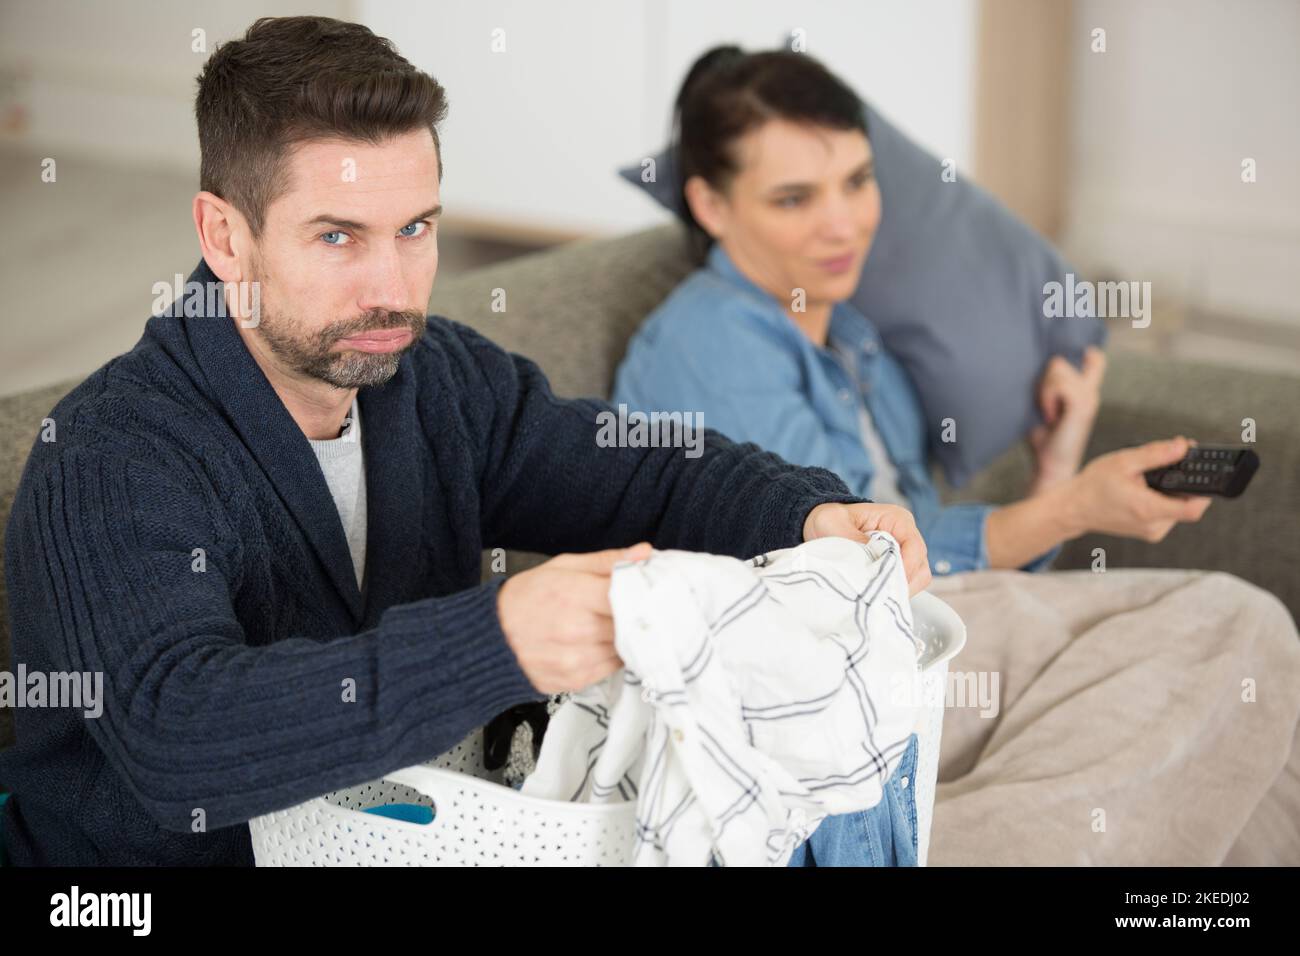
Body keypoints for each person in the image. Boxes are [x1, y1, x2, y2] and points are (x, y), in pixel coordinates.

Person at [0, 19, 930, 866]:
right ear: (224, 237)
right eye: (337, 237)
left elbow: (637, 466)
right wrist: (498, 640)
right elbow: (181, 738)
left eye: (415, 228)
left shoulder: (433, 376)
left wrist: (808, 510)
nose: (392, 286)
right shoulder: (110, 457)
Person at [613, 46, 1300, 866]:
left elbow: (939, 554)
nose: (843, 223)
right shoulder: (709, 341)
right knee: (1239, 624)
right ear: (711, 205)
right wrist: (1070, 507)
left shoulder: (859, 340)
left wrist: (1055, 470)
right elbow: (845, 570)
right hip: (827, 670)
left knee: (1258, 746)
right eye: (795, 197)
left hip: (934, 633)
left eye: (858, 182)